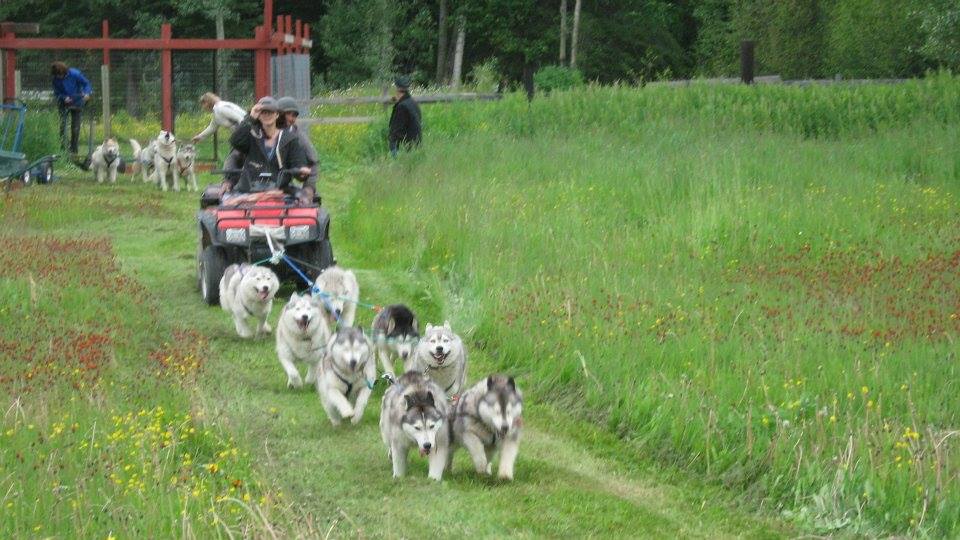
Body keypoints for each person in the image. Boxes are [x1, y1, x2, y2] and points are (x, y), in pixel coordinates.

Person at [224, 96, 308, 197]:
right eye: (263, 112)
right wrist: (250, 118)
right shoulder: (250, 136)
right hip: (247, 192)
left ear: (277, 114)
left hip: (279, 193)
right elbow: (235, 141)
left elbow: (298, 164)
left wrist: (301, 172)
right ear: (258, 115)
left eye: (270, 112)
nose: (267, 115)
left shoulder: (289, 139)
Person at [277, 96, 319, 205]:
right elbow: (236, 155)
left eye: (294, 115)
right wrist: (229, 181)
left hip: (284, 184)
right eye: (287, 114)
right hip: (255, 185)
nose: (291, 118)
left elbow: (313, 161)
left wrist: (308, 188)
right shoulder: (262, 131)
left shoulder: (298, 137)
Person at [51, 61, 92, 154]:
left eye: (60, 75)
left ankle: (74, 151)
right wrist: (63, 97)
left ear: (64, 72)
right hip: (63, 103)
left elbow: (87, 84)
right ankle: (63, 149)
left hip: (77, 102)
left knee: (75, 127)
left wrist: (87, 93)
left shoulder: (75, 74)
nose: (58, 77)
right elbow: (56, 93)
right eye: (56, 76)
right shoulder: (55, 79)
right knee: (63, 126)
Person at [388, 76, 421, 157]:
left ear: (397, 89)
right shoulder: (413, 103)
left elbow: (398, 128)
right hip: (416, 144)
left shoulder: (402, 107)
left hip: (404, 147)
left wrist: (393, 143)